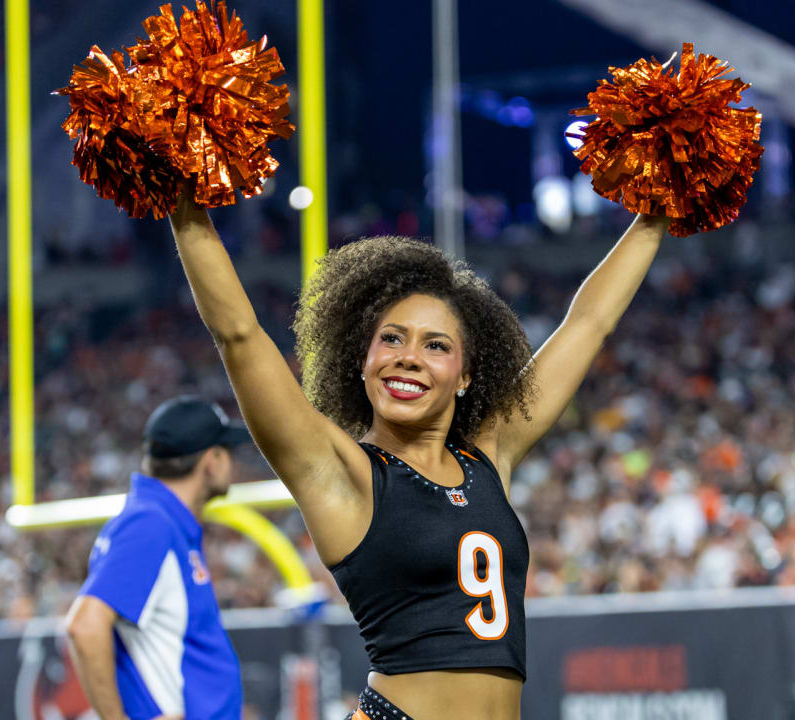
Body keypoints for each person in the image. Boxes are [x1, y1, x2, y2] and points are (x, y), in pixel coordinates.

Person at [169, 180, 668, 720]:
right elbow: (239, 335)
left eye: (436, 346)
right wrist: (181, 203)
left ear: (465, 375)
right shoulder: (342, 474)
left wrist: (656, 213)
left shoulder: (489, 457)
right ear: (361, 361)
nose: (409, 357)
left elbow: (590, 324)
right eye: (392, 338)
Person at [65, 396, 253, 720]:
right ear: (211, 460)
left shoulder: (162, 521)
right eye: (227, 451)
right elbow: (84, 625)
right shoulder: (150, 524)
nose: (232, 463)